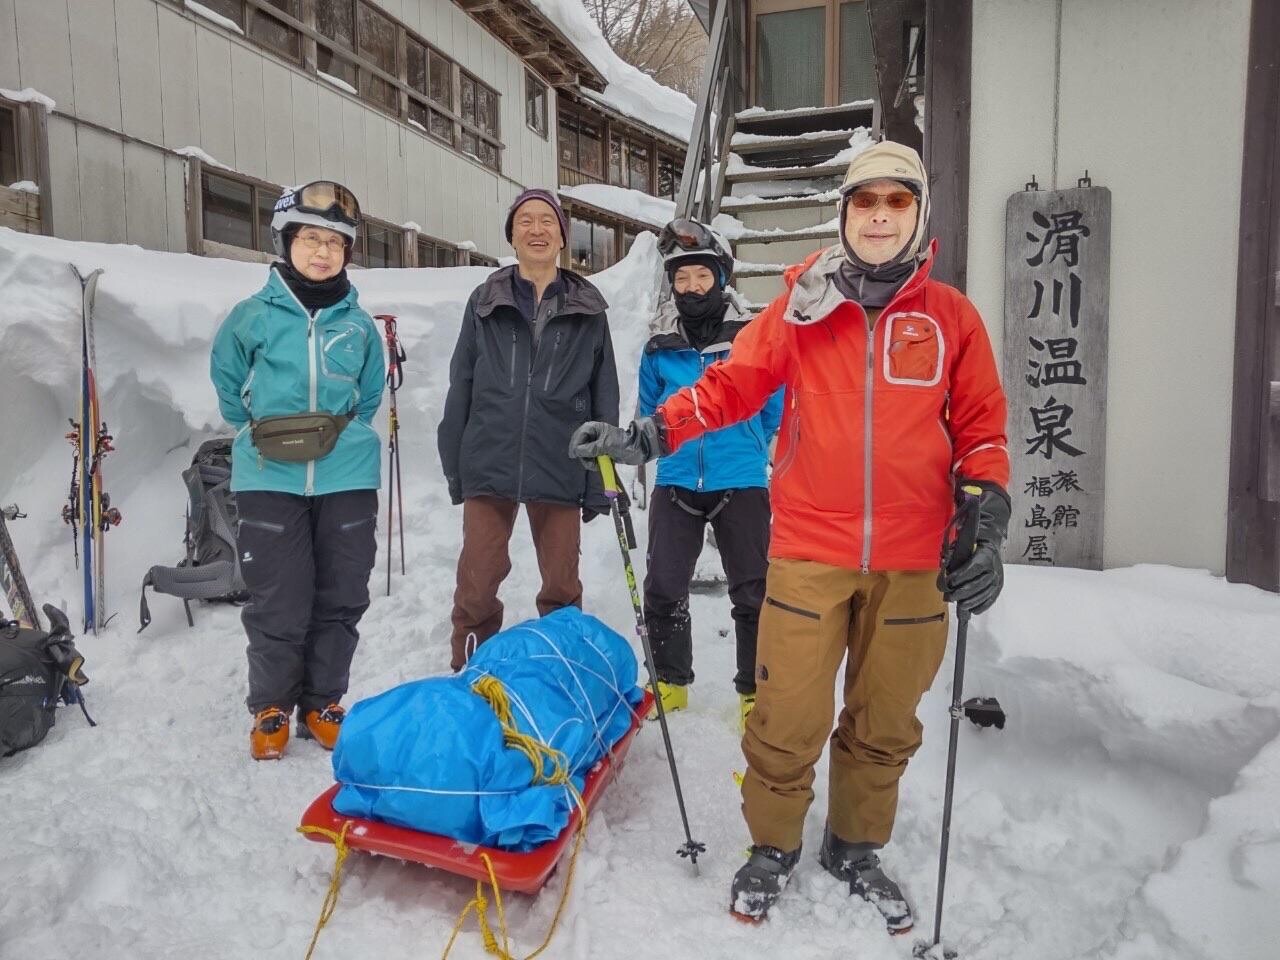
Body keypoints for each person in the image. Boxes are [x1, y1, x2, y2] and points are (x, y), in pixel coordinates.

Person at [569, 142, 1011, 930]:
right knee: (785, 713)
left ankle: (856, 844)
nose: (880, 215)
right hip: (809, 548)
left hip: (916, 558)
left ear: (918, 215)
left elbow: (981, 429)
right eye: (865, 200)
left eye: (897, 201)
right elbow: (730, 385)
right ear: (844, 214)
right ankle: (773, 845)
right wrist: (651, 434)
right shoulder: (803, 308)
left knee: (886, 719)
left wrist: (987, 517)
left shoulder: (951, 318)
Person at [211, 180, 386, 761]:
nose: (322, 252)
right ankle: (271, 707)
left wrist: (338, 438)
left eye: (334, 243)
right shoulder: (250, 317)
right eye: (310, 239)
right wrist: (256, 432)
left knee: (342, 593)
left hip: (347, 475)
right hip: (268, 476)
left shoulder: (359, 326)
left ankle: (322, 702)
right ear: (285, 242)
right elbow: (228, 383)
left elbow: (368, 396)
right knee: (278, 598)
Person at [438, 188, 619, 672]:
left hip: (561, 458)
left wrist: (600, 479)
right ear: (512, 236)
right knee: (478, 580)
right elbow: (462, 382)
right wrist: (454, 462)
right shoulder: (485, 301)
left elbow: (604, 394)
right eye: (525, 221)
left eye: (547, 221)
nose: (536, 230)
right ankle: (470, 672)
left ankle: (562, 672)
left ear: (562, 236)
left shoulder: (587, 307)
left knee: (562, 583)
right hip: (489, 455)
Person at [641, 219, 782, 730]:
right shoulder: (659, 344)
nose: (692, 287)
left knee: (753, 590)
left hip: (740, 478)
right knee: (663, 584)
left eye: (702, 275)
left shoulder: (749, 337)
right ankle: (670, 680)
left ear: (721, 278)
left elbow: (772, 405)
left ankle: (754, 690)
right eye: (681, 278)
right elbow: (648, 408)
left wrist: (749, 444)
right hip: (677, 478)